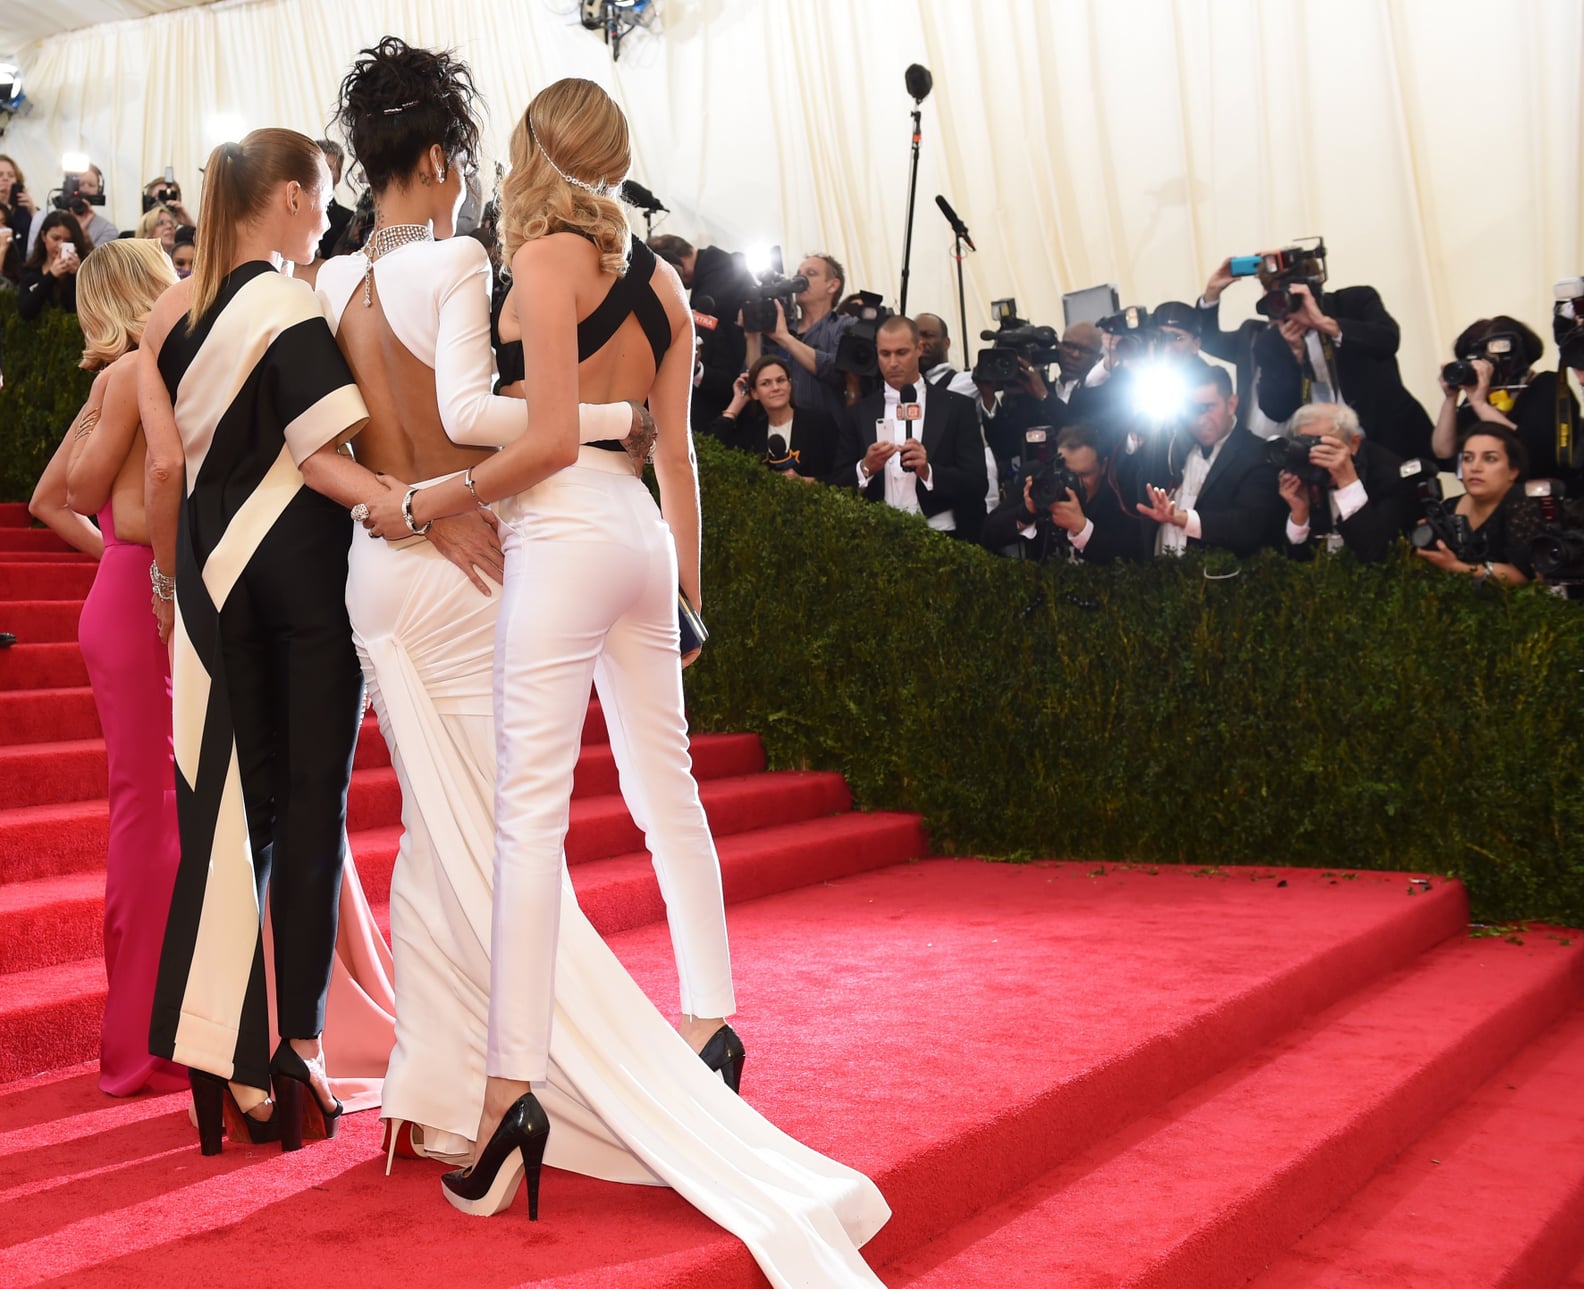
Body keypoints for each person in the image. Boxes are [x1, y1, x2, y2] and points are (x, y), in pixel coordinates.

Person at [362, 75, 889, 1283]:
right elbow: (678, 454)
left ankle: (507, 1100)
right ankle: (712, 1022)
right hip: (645, 541)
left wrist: (433, 497)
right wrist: (689, 588)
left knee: (527, 819)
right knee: (669, 795)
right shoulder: (658, 281)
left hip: (562, 537)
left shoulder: (543, 260)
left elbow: (548, 436)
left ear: (529, 147)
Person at [311, 35, 640, 1169]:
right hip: (466, 566)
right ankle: (506, 1084)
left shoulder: (330, 279)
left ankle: (434, 1090)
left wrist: (402, 505)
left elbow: (319, 445)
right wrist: (608, 421)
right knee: (499, 836)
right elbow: (474, 415)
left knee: (427, 831)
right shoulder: (453, 262)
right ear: (440, 161)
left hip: (377, 571)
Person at [140, 128, 374, 1155]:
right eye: (320, 194)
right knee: (313, 801)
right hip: (307, 572)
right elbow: (329, 449)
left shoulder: (169, 318)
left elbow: (167, 466)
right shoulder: (288, 304)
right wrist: (419, 504)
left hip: (213, 575)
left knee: (234, 811)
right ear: (285, 195)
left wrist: (167, 583)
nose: (327, 213)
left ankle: (219, 1055)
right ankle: (299, 1047)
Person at [45, 241, 191, 1096]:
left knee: (151, 810)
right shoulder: (142, 373)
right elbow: (74, 491)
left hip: (128, 590)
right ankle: (141, 1044)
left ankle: (145, 1033)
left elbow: (61, 493)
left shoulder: (126, 377)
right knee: (153, 813)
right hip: (144, 599)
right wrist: (152, 572)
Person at [1195, 254, 1433, 459]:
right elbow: (1276, 410)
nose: (1283, 305)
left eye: (1290, 295)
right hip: (1318, 451)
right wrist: (1294, 358)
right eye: (1274, 298)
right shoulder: (1271, 341)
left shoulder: (1354, 302)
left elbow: (1388, 339)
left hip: (1384, 441)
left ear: (1315, 286)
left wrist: (1328, 325)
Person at [832, 314, 989, 541]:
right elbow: (837, 483)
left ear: (919, 349)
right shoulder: (859, 413)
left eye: (901, 352)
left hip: (944, 536)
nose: (893, 363)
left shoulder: (957, 407)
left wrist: (928, 471)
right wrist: (865, 468)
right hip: (878, 538)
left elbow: (977, 484)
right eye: (885, 354)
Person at [1132, 356, 1285, 557]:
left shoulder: (1257, 454)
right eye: (1192, 409)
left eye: (1208, 408)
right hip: (1157, 569)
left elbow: (1248, 526)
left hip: (1216, 574)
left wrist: (1182, 518)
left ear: (1231, 404)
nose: (1200, 419)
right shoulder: (1168, 445)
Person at [1430, 316, 1580, 490]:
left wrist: (1481, 405)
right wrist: (1450, 399)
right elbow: (1443, 452)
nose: (1479, 368)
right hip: (1491, 498)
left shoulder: (1548, 385)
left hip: (1543, 495)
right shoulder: (1476, 399)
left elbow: (1535, 452)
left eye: (1486, 361)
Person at [982, 420, 1137, 563]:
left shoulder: (1118, 493)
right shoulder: (1039, 478)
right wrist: (1025, 513)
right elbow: (987, 535)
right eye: (1067, 473)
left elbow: (1133, 559)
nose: (1074, 482)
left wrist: (1083, 529)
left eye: (1084, 474)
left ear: (1104, 467)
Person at [1278, 402, 1413, 562]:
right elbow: (1294, 563)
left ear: (1353, 443)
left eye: (1321, 444)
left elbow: (1377, 555)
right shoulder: (1301, 474)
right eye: (1304, 444)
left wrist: (1348, 483)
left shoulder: (1389, 475)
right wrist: (1300, 515)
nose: (1313, 454)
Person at [1414, 426, 1531, 585]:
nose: (1475, 468)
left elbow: (1522, 577)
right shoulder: (1448, 506)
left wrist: (1457, 567)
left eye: (1490, 459)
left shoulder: (1524, 505)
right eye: (1468, 458)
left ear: (1513, 471)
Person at [748, 251, 854, 421]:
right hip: (780, 430)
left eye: (811, 274)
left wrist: (785, 339)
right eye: (798, 274)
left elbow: (837, 371)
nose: (800, 279)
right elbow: (754, 381)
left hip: (828, 430)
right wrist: (752, 336)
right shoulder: (780, 329)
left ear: (832, 285)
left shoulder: (845, 326)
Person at [707, 353, 838, 479]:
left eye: (781, 380)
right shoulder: (751, 432)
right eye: (766, 383)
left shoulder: (819, 423)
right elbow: (710, 450)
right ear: (754, 393)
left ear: (789, 385)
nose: (775, 388)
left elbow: (840, 475)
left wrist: (806, 482)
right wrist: (737, 402)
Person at [18, 210, 89, 320]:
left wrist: (78, 275)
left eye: (67, 240)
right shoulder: (30, 271)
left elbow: (85, 311)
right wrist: (51, 275)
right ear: (43, 236)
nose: (60, 245)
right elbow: (26, 312)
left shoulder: (86, 270)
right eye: (55, 238)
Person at [2, 153, 37, 284]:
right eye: (0, 175)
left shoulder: (24, 210)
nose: (6, 179)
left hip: (24, 275)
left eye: (11, 175)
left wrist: (33, 210)